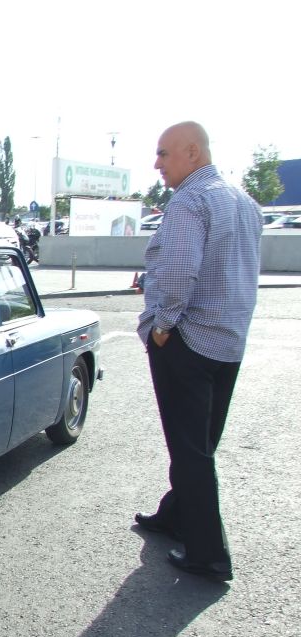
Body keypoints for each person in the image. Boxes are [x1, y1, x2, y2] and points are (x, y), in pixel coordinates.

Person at [134, 121, 262, 583]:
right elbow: (234, 271)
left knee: (190, 449)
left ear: (192, 154)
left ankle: (208, 553)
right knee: (201, 441)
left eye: (164, 154)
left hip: (188, 342)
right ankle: (175, 514)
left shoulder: (190, 200)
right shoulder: (244, 203)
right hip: (228, 343)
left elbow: (181, 271)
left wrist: (163, 325)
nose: (157, 164)